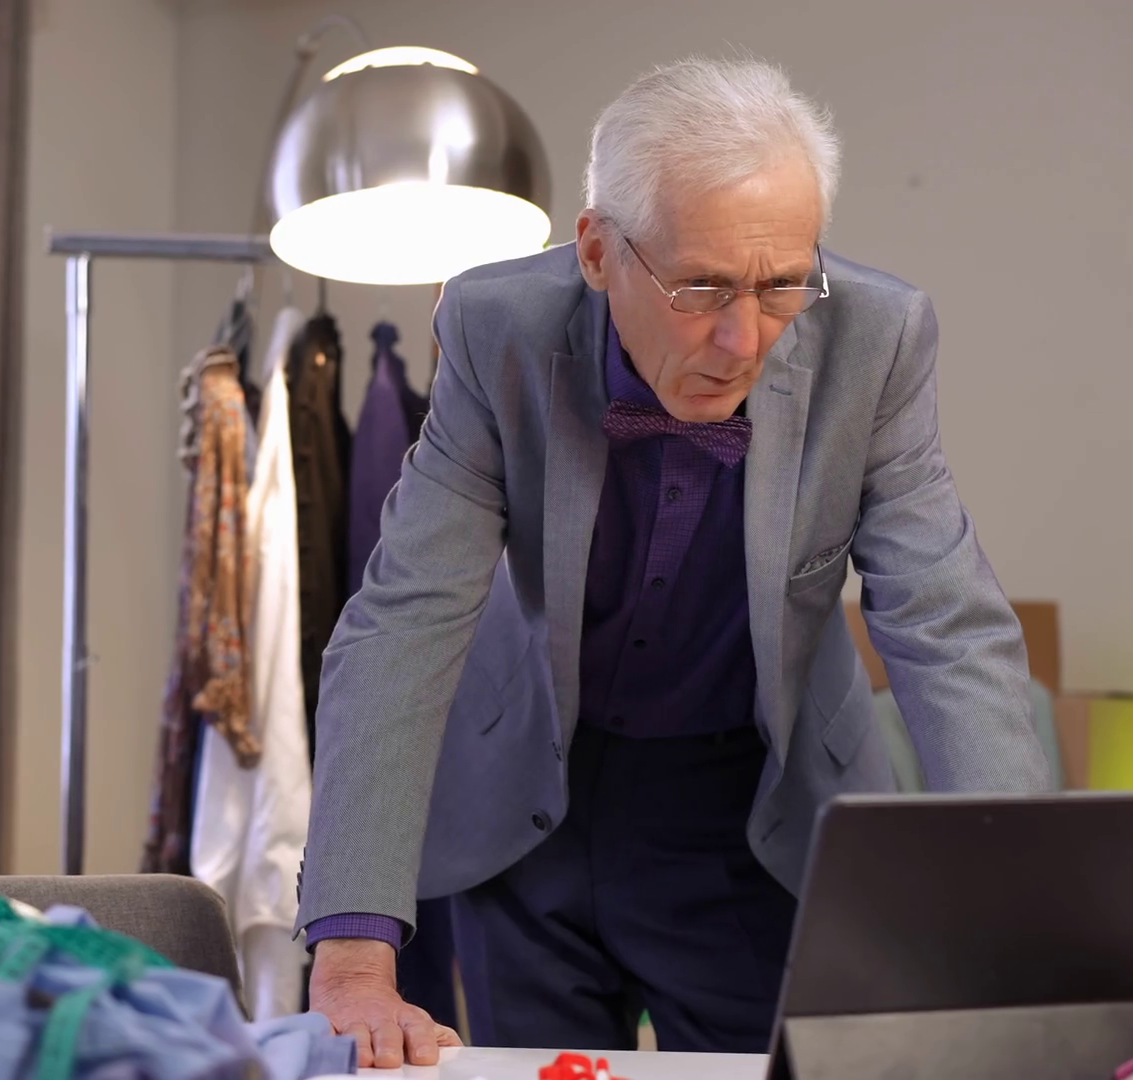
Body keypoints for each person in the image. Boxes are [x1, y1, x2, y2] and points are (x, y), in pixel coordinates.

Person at [297, 56, 1053, 1068]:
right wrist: (351, 955)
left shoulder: (876, 339)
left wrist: (1038, 926)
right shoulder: (495, 330)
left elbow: (944, 624)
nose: (745, 341)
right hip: (528, 801)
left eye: (783, 285)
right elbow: (405, 620)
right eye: (701, 287)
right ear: (600, 251)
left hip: (750, 806)